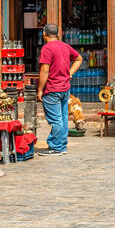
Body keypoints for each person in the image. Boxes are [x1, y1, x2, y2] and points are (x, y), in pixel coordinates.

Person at [36, 23, 81, 156]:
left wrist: (40, 90)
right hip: (65, 88)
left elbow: (44, 71)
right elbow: (79, 58)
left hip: (52, 89)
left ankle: (56, 147)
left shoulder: (47, 48)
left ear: (44, 34)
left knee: (56, 120)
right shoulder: (65, 46)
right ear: (58, 34)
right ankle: (62, 145)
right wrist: (69, 73)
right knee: (63, 118)